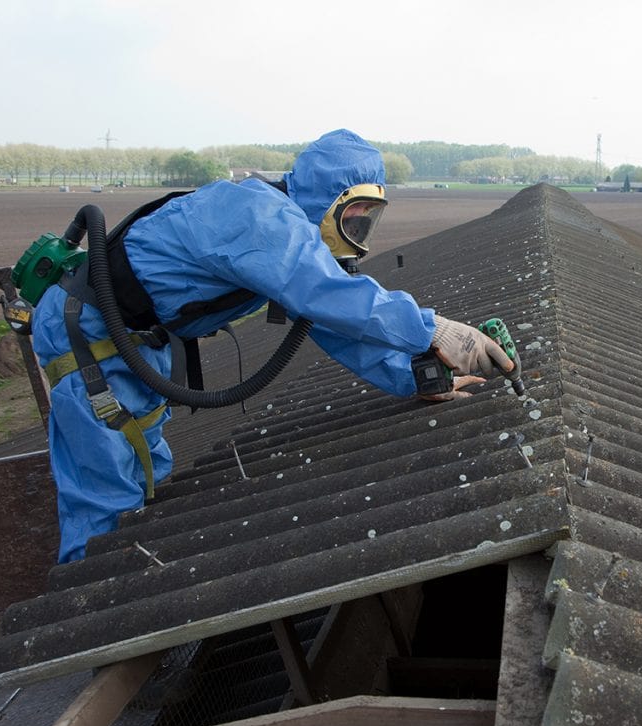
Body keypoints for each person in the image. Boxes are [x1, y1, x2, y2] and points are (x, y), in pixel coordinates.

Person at [32, 129, 513, 563]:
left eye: (367, 222)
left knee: (146, 467)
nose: (358, 234)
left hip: (137, 338)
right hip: (89, 337)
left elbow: (332, 322)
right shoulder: (258, 216)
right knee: (105, 490)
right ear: (329, 199)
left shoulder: (291, 236)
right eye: (353, 218)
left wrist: (415, 376)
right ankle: (85, 608)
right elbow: (324, 294)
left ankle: (125, 585)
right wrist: (432, 329)